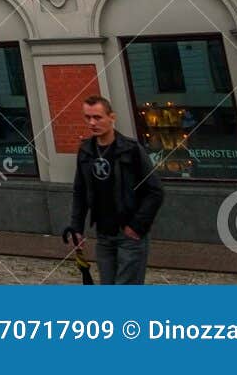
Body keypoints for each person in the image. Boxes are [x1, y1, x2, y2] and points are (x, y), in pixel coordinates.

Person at [64, 95, 163, 285]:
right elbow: (80, 191)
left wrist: (136, 226)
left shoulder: (131, 149)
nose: (92, 122)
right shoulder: (86, 151)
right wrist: (76, 227)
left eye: (98, 117)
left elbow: (155, 191)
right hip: (103, 235)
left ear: (112, 117)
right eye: (88, 117)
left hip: (129, 234)